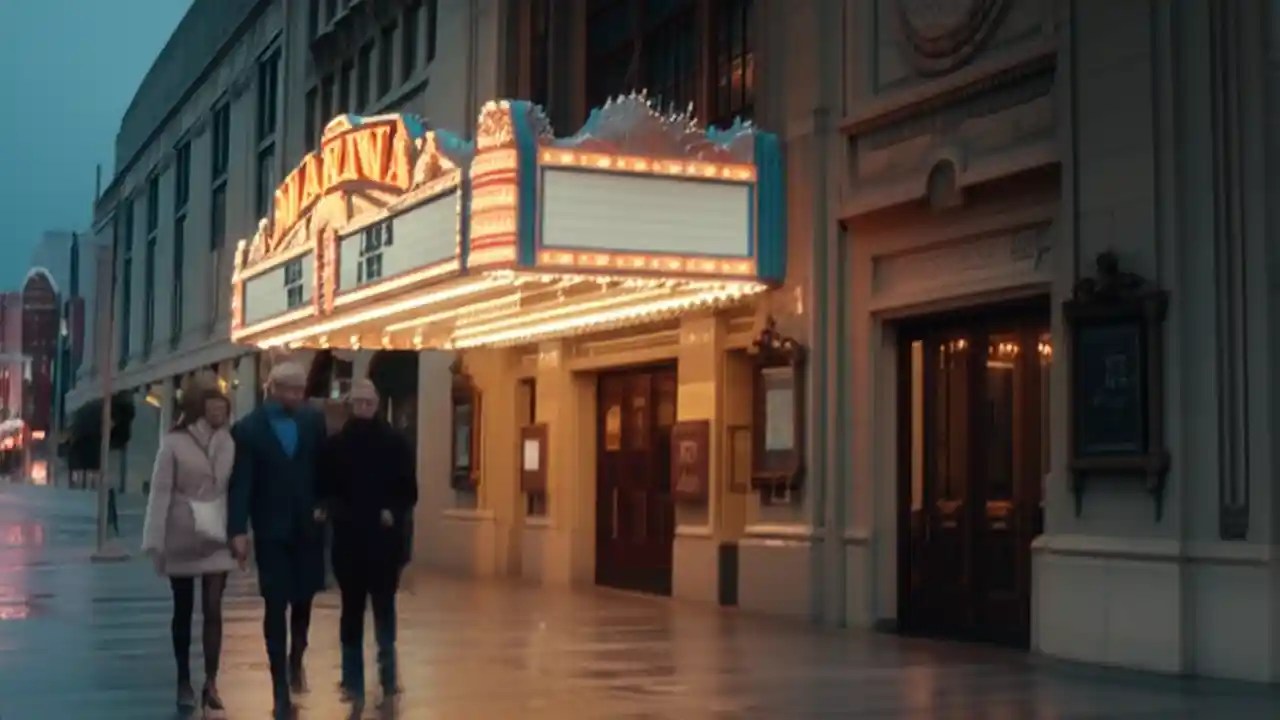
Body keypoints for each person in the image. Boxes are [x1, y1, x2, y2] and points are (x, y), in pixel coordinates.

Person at [227, 362, 328, 718]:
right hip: (271, 531)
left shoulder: (313, 422)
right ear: (273, 389)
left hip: (308, 529)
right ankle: (279, 690)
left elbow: (324, 469)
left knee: (304, 601)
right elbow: (241, 484)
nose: (297, 397)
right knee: (275, 605)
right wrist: (237, 530)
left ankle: (296, 655)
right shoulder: (250, 430)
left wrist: (324, 504)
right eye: (290, 391)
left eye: (301, 391)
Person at [320, 379, 418, 709]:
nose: (363, 407)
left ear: (376, 404)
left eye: (368, 402)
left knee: (384, 612)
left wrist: (393, 510)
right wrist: (333, 511)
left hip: (383, 543)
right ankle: (352, 679)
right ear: (350, 405)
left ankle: (388, 676)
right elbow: (327, 488)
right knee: (351, 612)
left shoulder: (395, 443)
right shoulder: (336, 446)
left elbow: (408, 490)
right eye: (358, 402)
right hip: (349, 542)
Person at [140, 387, 236, 714]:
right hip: (181, 532)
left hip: (217, 532)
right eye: (213, 411)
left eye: (223, 411)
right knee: (183, 608)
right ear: (198, 410)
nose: (219, 416)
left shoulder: (229, 441)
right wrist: (154, 540)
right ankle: (183, 680)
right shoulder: (173, 443)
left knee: (213, 606)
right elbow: (160, 491)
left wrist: (241, 532)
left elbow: (237, 487)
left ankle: (211, 681)